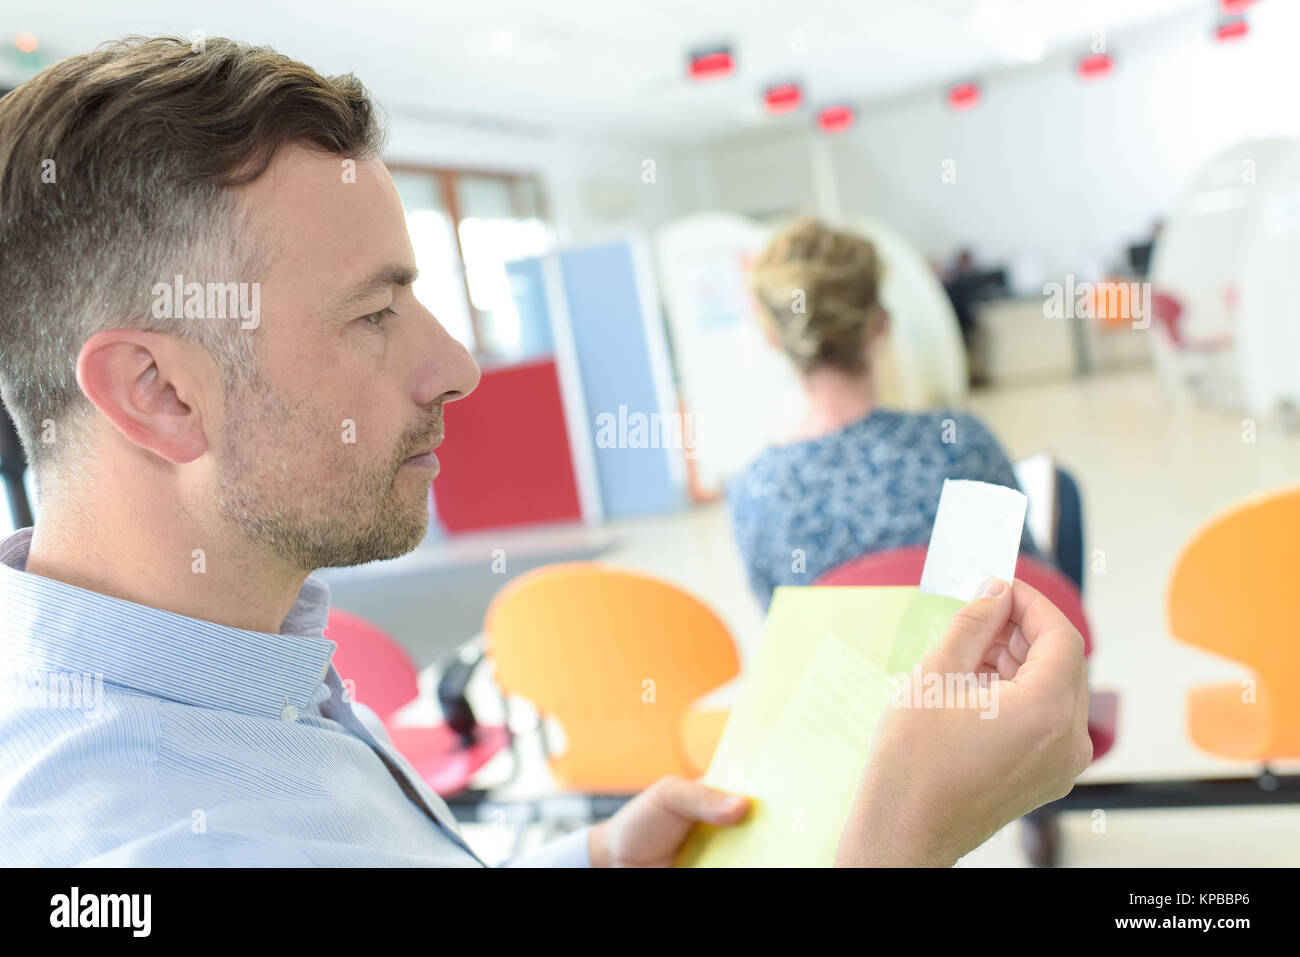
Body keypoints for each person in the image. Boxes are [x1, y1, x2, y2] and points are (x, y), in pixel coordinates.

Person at [0, 37, 1090, 867]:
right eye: (373, 314)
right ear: (159, 393)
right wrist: (894, 839)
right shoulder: (135, 845)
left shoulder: (232, 659)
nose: (457, 364)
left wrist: (595, 861)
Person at [730, 219, 1033, 611]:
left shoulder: (757, 490)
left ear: (773, 338)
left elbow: (781, 634)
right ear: (880, 323)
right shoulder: (959, 444)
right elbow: (1030, 596)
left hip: (837, 673)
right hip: (972, 671)